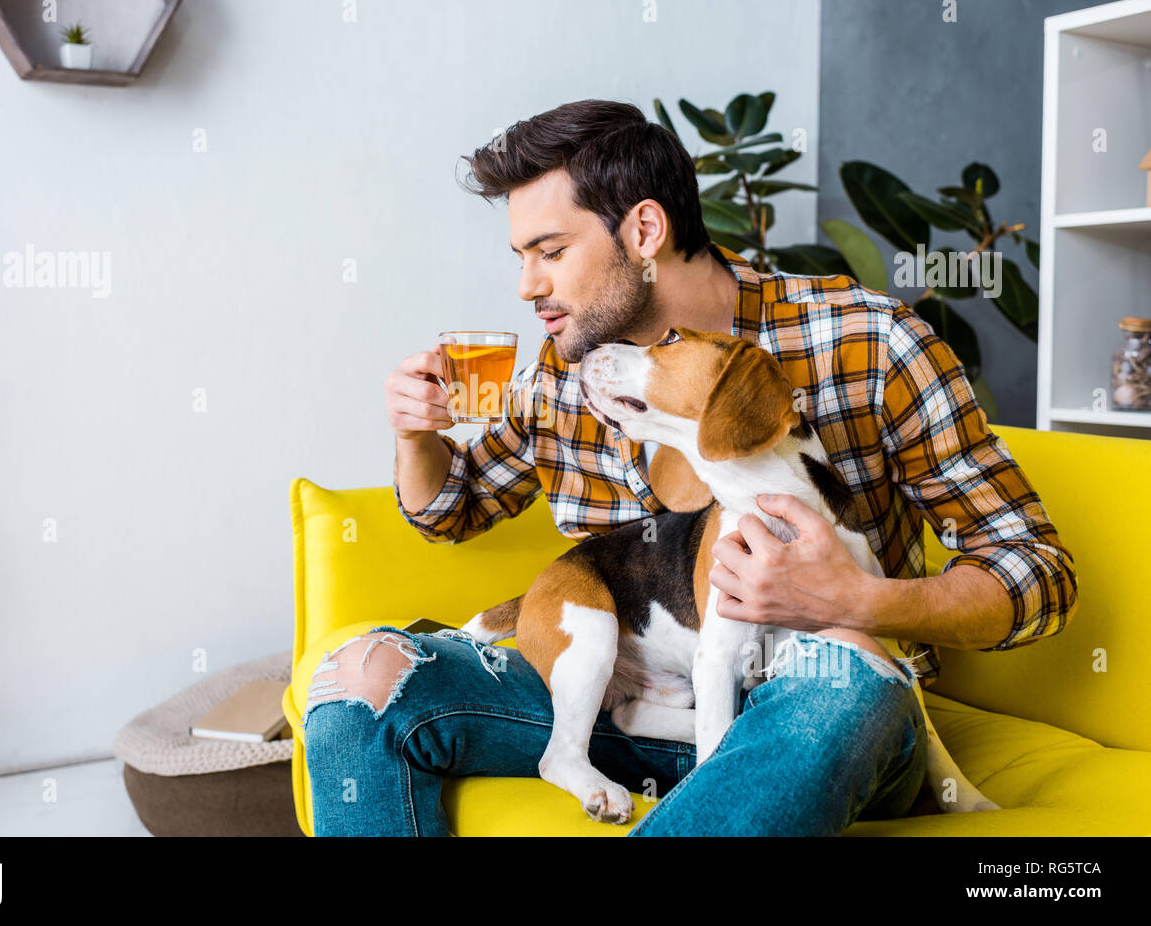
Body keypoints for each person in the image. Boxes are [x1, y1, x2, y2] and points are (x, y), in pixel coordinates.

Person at [300, 99, 1077, 836]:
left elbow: (1038, 575)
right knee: (358, 679)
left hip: (812, 714)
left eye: (551, 251)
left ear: (643, 230)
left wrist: (863, 599)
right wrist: (415, 434)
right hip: (626, 707)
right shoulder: (565, 372)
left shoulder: (867, 343)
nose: (526, 285)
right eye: (522, 256)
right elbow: (451, 509)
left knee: (841, 681)